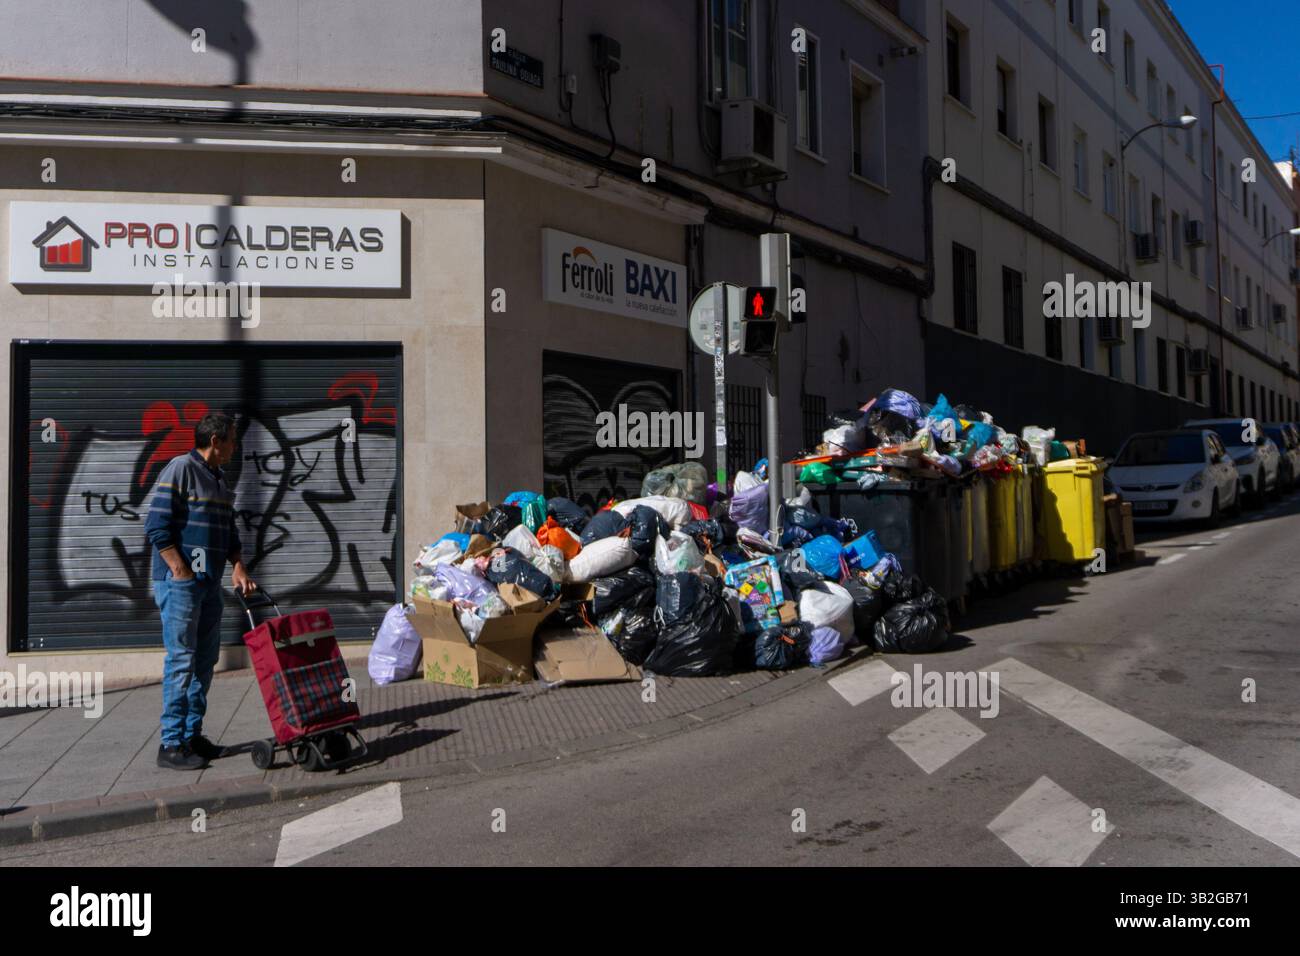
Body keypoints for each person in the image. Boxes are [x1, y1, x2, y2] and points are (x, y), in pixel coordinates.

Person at [144, 413, 257, 770]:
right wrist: (179, 570)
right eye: (233, 441)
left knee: (204, 662)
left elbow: (230, 532)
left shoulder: (219, 479)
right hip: (181, 585)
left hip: (208, 584)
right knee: (181, 661)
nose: (235, 448)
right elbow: (156, 526)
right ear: (215, 441)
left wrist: (237, 564)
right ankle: (171, 743)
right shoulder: (180, 469)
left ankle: (192, 736)